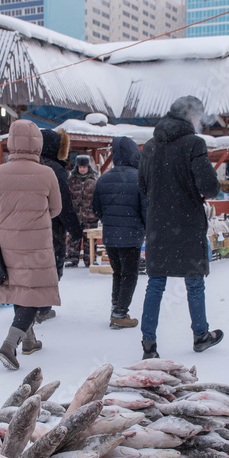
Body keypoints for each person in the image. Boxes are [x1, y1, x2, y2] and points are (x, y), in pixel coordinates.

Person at [138, 95, 224, 359]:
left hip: (158, 225)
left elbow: (142, 187)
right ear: (190, 116)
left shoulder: (150, 146)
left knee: (155, 284)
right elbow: (209, 186)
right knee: (194, 283)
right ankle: (200, 335)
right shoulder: (194, 144)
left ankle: (149, 345)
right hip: (187, 224)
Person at [0, 120, 62, 370]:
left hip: (8, 240)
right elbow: (56, 209)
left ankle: (29, 340)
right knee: (33, 292)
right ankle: (9, 344)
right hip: (37, 242)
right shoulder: (47, 173)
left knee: (19, 287)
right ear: (37, 143)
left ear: (11, 142)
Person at [93, 136, 147, 329]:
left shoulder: (103, 179)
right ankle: (120, 313)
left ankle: (116, 308)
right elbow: (145, 210)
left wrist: (109, 221)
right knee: (130, 274)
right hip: (131, 237)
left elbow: (96, 209)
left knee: (118, 273)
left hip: (110, 236)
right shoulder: (139, 178)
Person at [36, 128, 82, 323]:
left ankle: (28, 309)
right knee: (52, 268)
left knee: (31, 270)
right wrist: (75, 229)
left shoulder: (31, 165)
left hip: (27, 228)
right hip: (51, 228)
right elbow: (64, 204)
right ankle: (43, 308)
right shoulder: (55, 170)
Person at [66, 154, 99, 267]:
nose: (82, 169)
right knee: (73, 238)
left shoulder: (94, 180)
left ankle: (90, 259)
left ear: (88, 167)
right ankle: (72, 259)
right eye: (80, 167)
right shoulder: (71, 180)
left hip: (90, 215)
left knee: (89, 240)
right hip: (75, 214)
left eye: (84, 167)